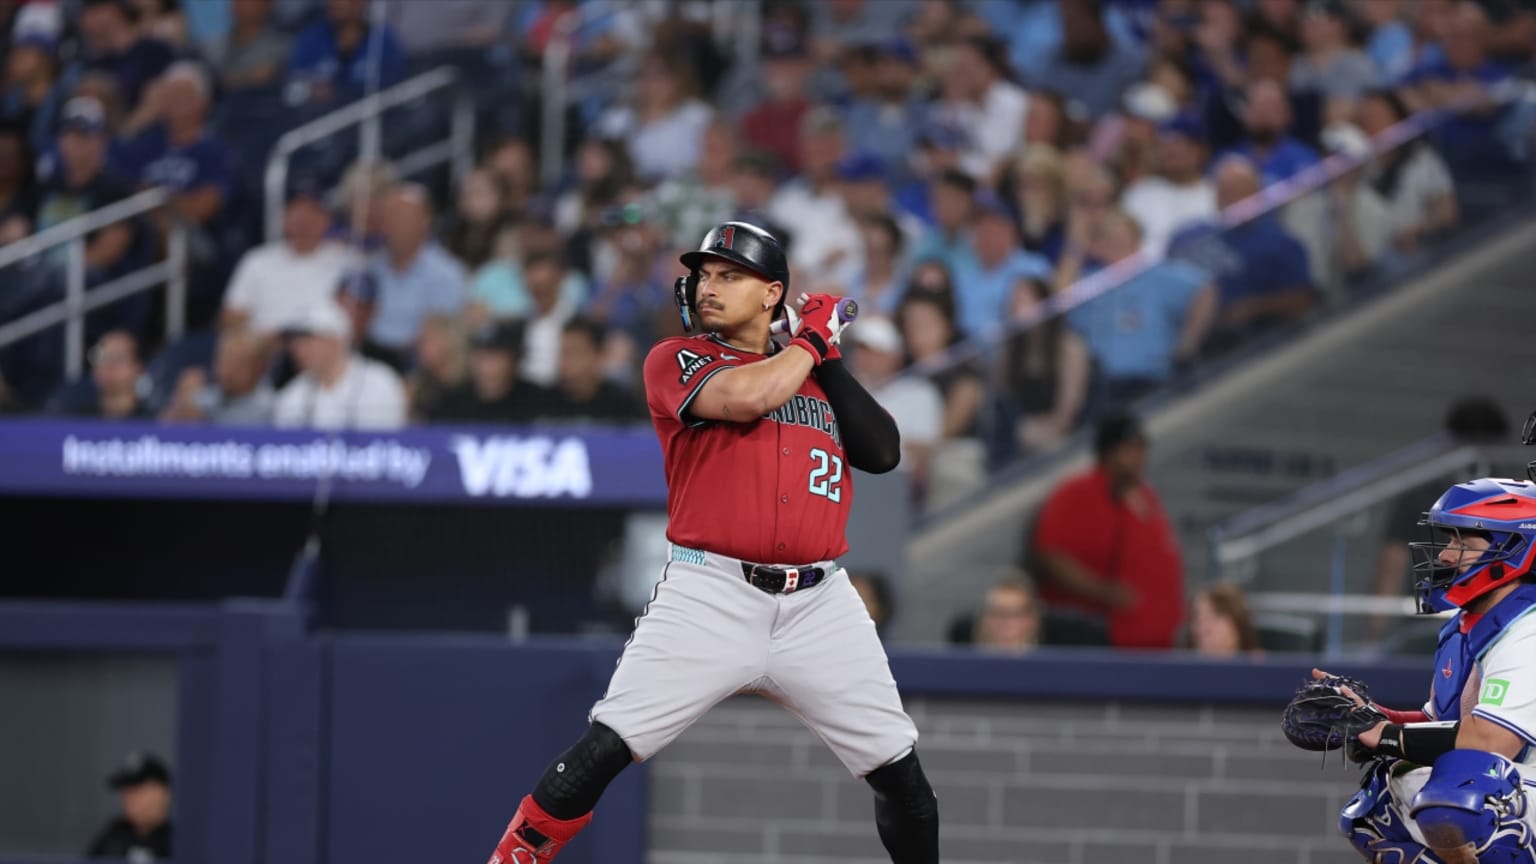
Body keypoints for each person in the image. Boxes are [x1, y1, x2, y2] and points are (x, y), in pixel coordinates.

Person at [484, 221, 938, 864]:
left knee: (904, 778)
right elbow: (752, 396)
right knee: (604, 748)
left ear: (771, 293)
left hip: (820, 602)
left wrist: (826, 355)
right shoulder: (677, 357)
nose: (708, 286)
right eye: (704, 274)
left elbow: (884, 451)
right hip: (712, 590)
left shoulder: (810, 371)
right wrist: (811, 336)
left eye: (730, 275)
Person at [1328, 477, 1536, 863]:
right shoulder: (1469, 626)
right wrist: (1372, 720)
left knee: (1462, 787)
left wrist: (1387, 735)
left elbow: (1490, 742)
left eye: (1462, 542)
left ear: (1513, 551)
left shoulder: (1530, 629)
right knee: (1376, 806)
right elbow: (1442, 723)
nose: (1444, 555)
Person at [1026, 412, 1185, 649]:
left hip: (1157, 643)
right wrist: (1102, 591)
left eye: (1142, 449)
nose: (1140, 457)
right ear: (1109, 453)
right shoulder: (1077, 492)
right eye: (1130, 450)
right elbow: (1051, 554)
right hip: (1104, 641)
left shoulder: (1144, 494)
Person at [86, 751, 172, 860]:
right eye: (124, 790)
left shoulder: (177, 840)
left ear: (162, 793)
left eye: (136, 789)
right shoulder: (114, 835)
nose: (128, 797)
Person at [1183, 582, 1261, 657]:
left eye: (1216, 616)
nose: (1203, 628)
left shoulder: (1260, 666)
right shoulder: (1180, 666)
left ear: (1238, 623)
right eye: (1197, 617)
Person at [972, 578, 1041, 654]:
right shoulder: (966, 662)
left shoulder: (1047, 663)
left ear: (1031, 619)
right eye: (997, 613)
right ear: (985, 618)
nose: (1005, 622)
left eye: (1014, 613)